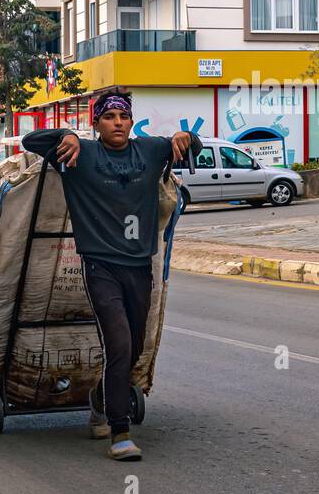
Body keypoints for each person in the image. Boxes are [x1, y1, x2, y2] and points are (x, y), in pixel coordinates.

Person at [22, 91, 197, 462]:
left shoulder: (148, 151)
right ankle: (120, 432)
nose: (118, 122)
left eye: (124, 116)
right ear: (96, 123)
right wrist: (66, 134)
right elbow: (30, 140)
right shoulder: (79, 155)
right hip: (101, 266)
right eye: (109, 116)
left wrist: (187, 138)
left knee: (133, 348)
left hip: (139, 266)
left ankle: (100, 398)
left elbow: (187, 144)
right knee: (118, 343)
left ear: (131, 122)